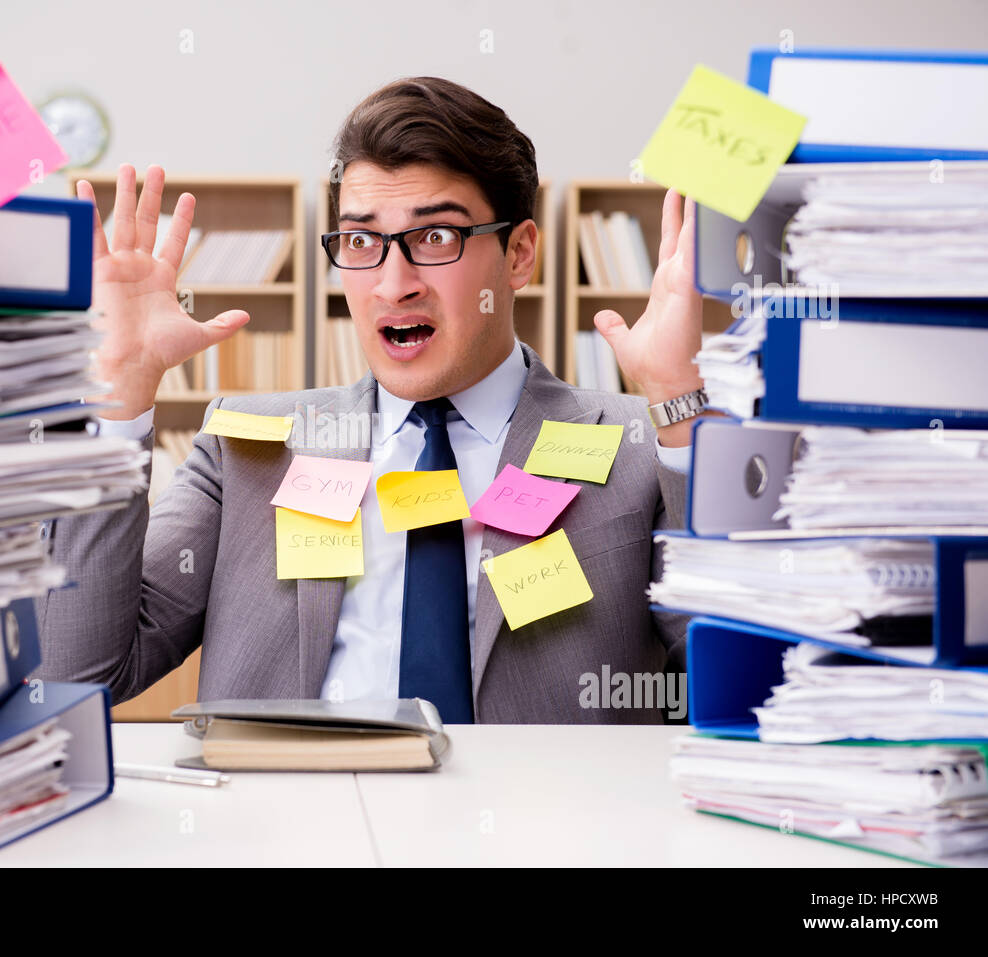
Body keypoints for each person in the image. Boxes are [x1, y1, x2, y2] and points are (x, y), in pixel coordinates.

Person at [35, 76, 709, 723]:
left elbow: (734, 684)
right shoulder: (245, 448)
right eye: (361, 240)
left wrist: (681, 403)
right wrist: (120, 395)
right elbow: (79, 670)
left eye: (436, 236)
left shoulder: (641, 444)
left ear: (519, 254)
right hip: (294, 832)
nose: (394, 284)